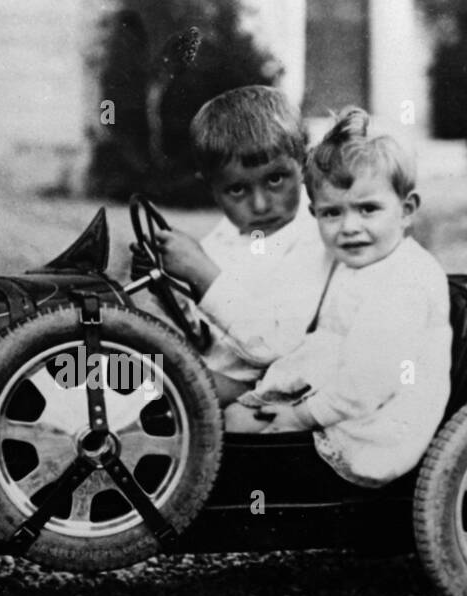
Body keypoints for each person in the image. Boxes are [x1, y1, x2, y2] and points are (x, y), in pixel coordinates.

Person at [224, 106, 452, 488]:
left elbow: (369, 381)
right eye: (332, 214)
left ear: (407, 210)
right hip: (347, 400)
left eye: (368, 209)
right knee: (230, 411)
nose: (350, 228)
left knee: (232, 426)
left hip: (374, 431)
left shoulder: (405, 281)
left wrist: (298, 416)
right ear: (314, 214)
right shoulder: (364, 264)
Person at [137, 85, 330, 405]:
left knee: (146, 377)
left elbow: (274, 344)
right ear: (212, 188)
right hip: (217, 373)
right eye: (237, 189)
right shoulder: (226, 236)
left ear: (304, 164)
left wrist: (202, 273)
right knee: (122, 364)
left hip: (268, 389)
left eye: (275, 179)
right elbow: (202, 335)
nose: (260, 204)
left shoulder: (314, 239)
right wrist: (170, 291)